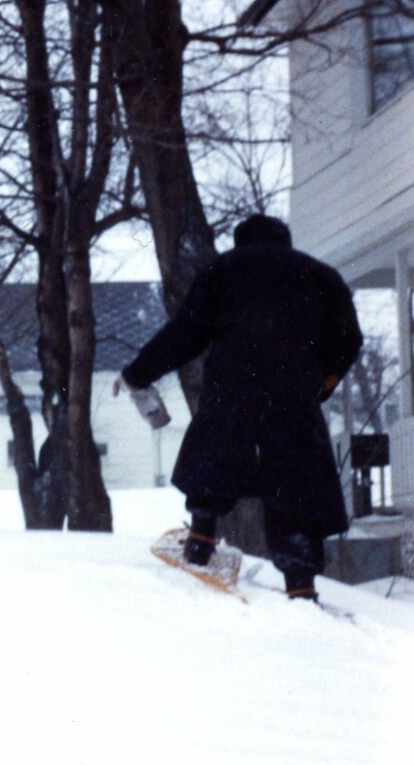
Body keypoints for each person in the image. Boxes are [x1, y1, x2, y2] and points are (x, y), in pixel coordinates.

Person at [116, 214, 363, 601]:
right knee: (296, 478)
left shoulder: (222, 270)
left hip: (233, 383)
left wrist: (139, 373)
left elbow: (184, 334)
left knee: (216, 453)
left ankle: (199, 540)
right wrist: (323, 383)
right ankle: (300, 583)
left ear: (240, 241)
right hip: (293, 390)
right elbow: (349, 339)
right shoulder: (320, 275)